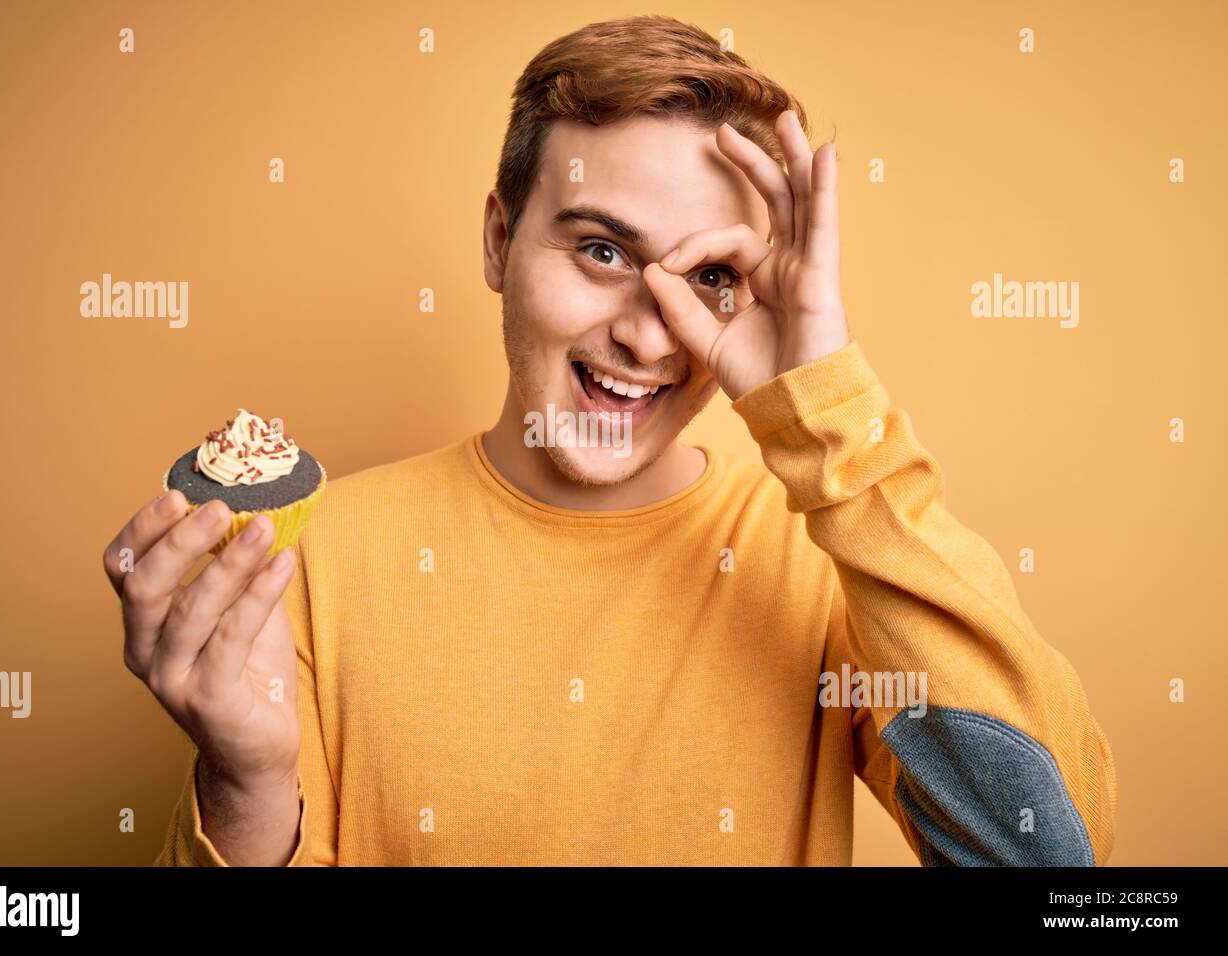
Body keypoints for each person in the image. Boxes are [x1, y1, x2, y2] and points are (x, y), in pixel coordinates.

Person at [102, 14, 1116, 866]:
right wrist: (242, 783)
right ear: (499, 240)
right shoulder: (312, 561)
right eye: (600, 249)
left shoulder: (826, 558)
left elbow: (1050, 860)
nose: (643, 328)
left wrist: (823, 397)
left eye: (708, 277)